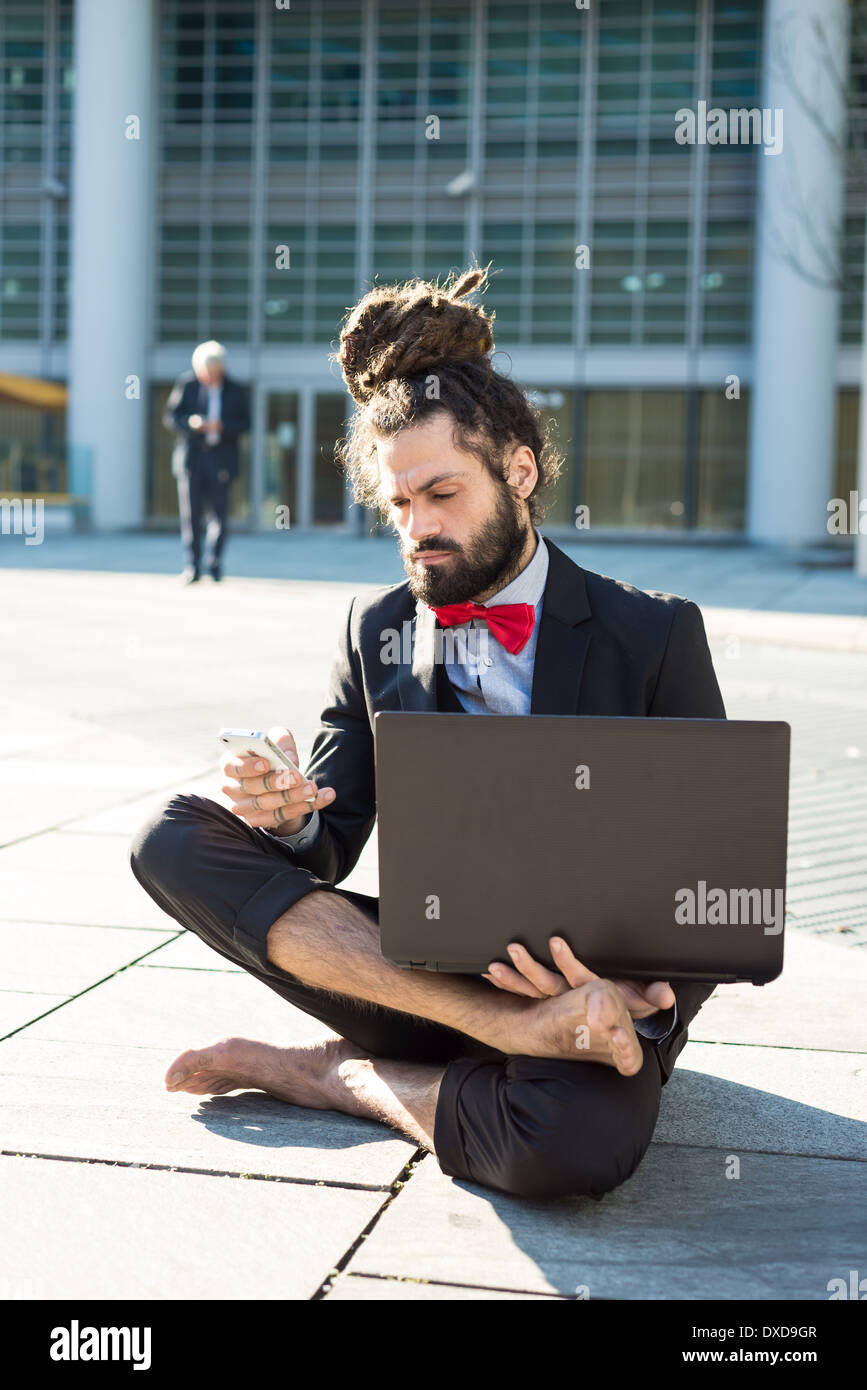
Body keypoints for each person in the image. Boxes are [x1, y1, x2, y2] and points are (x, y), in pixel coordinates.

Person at [130, 267, 725, 1201]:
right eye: (399, 506)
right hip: (413, 975)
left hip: (580, 1001)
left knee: (566, 1152)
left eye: (441, 494)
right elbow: (327, 845)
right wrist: (288, 818)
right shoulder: (376, 630)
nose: (418, 530)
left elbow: (711, 867)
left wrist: (651, 1003)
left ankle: (334, 1075)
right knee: (170, 835)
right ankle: (488, 1050)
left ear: (518, 470)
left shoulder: (652, 635)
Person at [164, 341, 250, 583]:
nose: (208, 377)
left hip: (221, 457)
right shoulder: (187, 384)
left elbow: (246, 423)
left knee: (220, 515)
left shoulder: (234, 389)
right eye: (205, 373)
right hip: (192, 459)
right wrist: (191, 424)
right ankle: (192, 566)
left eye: (213, 373)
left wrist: (222, 426)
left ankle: (214, 562)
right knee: (191, 515)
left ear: (221, 369)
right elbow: (171, 417)